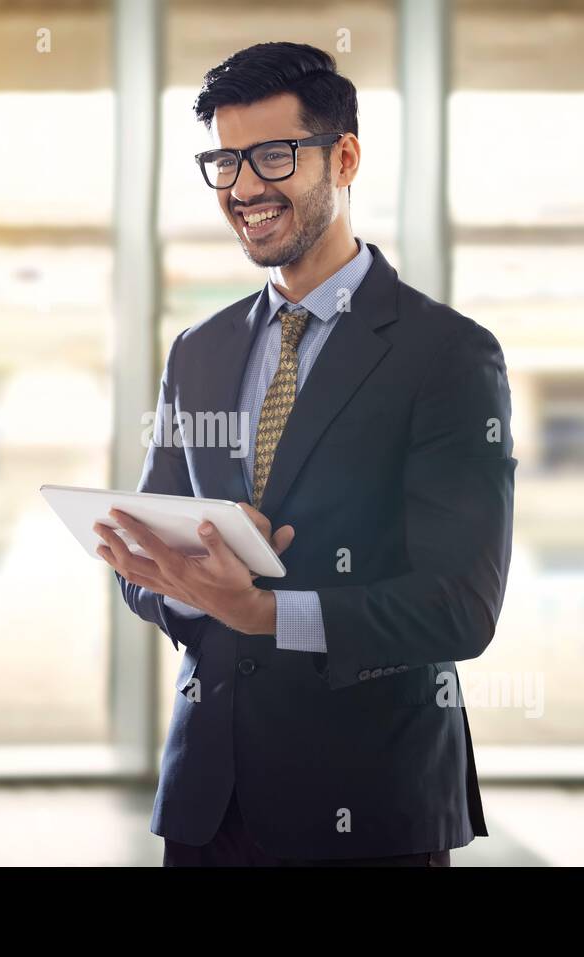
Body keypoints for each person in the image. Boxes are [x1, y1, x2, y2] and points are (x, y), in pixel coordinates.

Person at [95, 41, 516, 866]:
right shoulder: (199, 351)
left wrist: (265, 611)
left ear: (345, 157)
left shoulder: (448, 355)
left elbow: (460, 608)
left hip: (371, 801)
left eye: (272, 157)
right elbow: (149, 565)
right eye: (225, 161)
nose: (245, 188)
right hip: (209, 804)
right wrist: (183, 583)